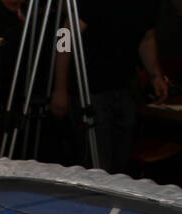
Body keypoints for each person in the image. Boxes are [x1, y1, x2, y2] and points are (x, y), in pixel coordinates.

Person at [49, 0, 166, 174]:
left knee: (121, 160)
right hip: (89, 89)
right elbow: (65, 35)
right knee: (97, 162)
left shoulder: (148, 4)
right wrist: (60, 89)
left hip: (123, 86)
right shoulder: (97, 4)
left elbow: (147, 38)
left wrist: (156, 75)